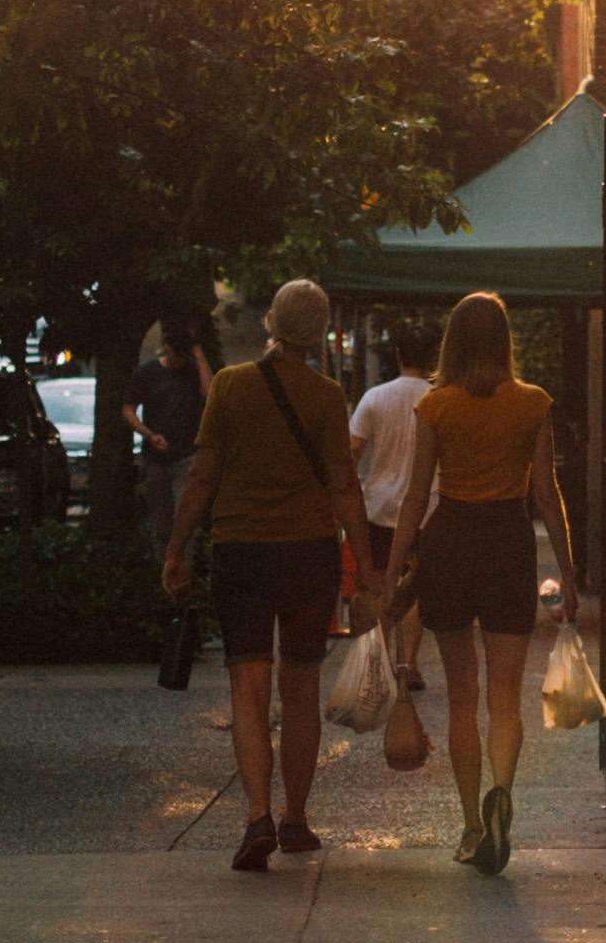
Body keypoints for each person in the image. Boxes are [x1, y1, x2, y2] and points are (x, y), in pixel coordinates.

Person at [162, 276, 377, 872]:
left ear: (271, 325)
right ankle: (297, 818)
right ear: (320, 330)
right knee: (301, 686)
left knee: (248, 687)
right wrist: (368, 567)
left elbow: (203, 476)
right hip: (309, 553)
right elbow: (343, 485)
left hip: (242, 552)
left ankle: (257, 815)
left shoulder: (230, 387)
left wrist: (176, 547)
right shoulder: (327, 397)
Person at [384, 285, 579, 875]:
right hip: (506, 543)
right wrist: (568, 573)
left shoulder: (436, 406)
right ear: (503, 341)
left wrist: (392, 569)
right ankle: (504, 794)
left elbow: (417, 494)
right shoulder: (533, 403)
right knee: (505, 695)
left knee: (461, 696)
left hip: (450, 541)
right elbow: (547, 493)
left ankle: (471, 825)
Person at [347, 315, 436, 708]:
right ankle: (409, 663)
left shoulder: (374, 398)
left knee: (380, 584)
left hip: (379, 506)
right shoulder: (439, 399)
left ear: (397, 354)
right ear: (433, 357)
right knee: (414, 588)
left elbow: (351, 452)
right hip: (428, 510)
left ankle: (378, 663)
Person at [132, 315, 207, 567]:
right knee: (162, 524)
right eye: (177, 356)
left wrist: (197, 355)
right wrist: (148, 434)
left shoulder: (193, 372)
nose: (179, 362)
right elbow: (128, 408)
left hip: (186, 456)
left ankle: (182, 572)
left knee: (185, 521)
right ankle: (163, 573)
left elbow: (210, 392)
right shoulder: (148, 373)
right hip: (157, 458)